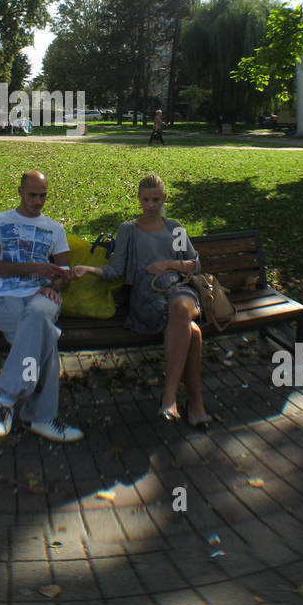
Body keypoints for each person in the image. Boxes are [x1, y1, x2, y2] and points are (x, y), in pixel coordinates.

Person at [0, 171, 99, 442]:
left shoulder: (54, 228)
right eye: (32, 195)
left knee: (38, 315)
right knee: (43, 334)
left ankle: (6, 404)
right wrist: (33, 266)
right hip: (5, 297)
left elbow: (63, 273)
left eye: (43, 195)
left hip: (44, 297)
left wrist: (54, 285)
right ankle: (41, 418)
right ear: (20, 191)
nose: (38, 201)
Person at [108, 174, 209, 427]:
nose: (150, 205)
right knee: (193, 333)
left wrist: (169, 264)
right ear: (139, 199)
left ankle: (169, 397)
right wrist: (87, 271)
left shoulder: (173, 228)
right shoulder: (129, 229)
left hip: (179, 287)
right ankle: (196, 402)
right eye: (145, 199)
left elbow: (193, 265)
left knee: (179, 306)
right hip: (148, 296)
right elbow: (115, 269)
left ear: (164, 199)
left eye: (155, 199)